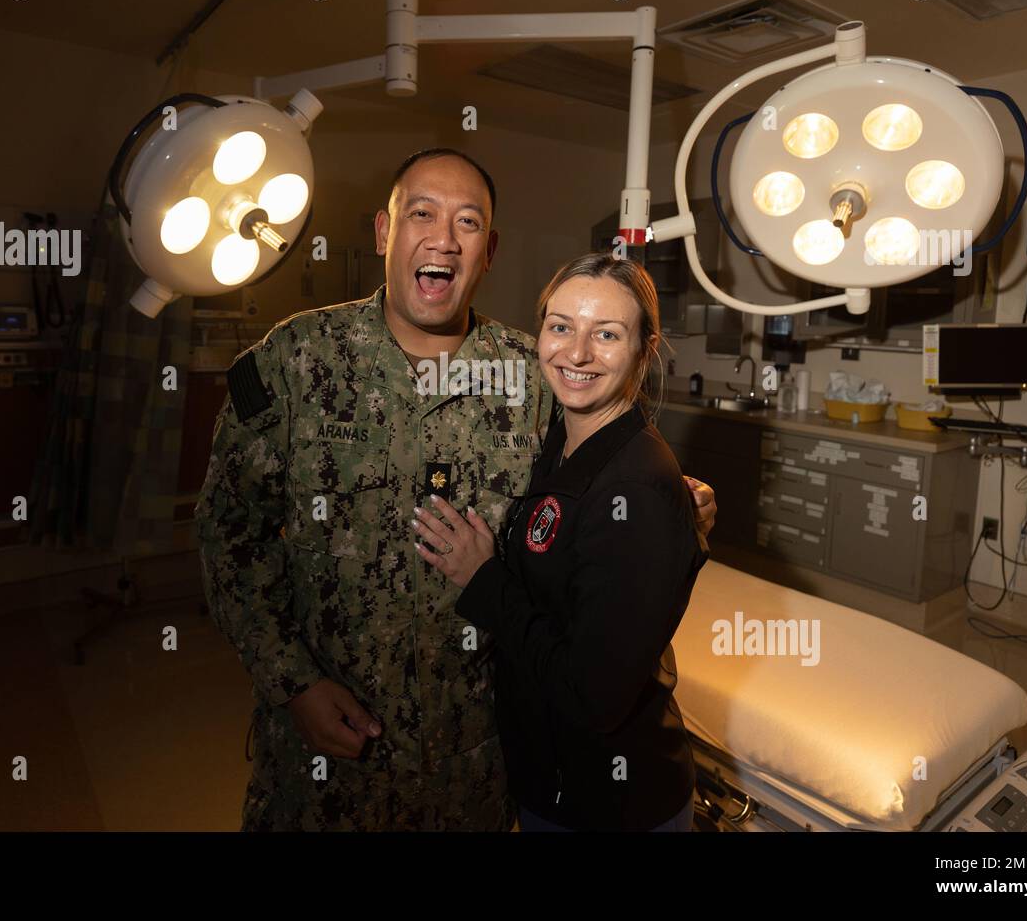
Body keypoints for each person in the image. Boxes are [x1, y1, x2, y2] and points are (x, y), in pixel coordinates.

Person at [195, 148, 717, 830]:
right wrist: (292, 682)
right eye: (422, 214)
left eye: (467, 223)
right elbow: (230, 536)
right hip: (325, 764)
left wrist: (675, 502)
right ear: (384, 233)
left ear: (488, 251)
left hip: (476, 766)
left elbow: (601, 473)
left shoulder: (532, 374)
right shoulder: (296, 359)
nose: (443, 239)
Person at [414, 252, 708, 831]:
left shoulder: (634, 486)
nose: (576, 354)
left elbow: (592, 697)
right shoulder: (562, 440)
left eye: (607, 334)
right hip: (552, 780)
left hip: (608, 805)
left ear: (645, 349)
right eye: (561, 327)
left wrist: (483, 579)